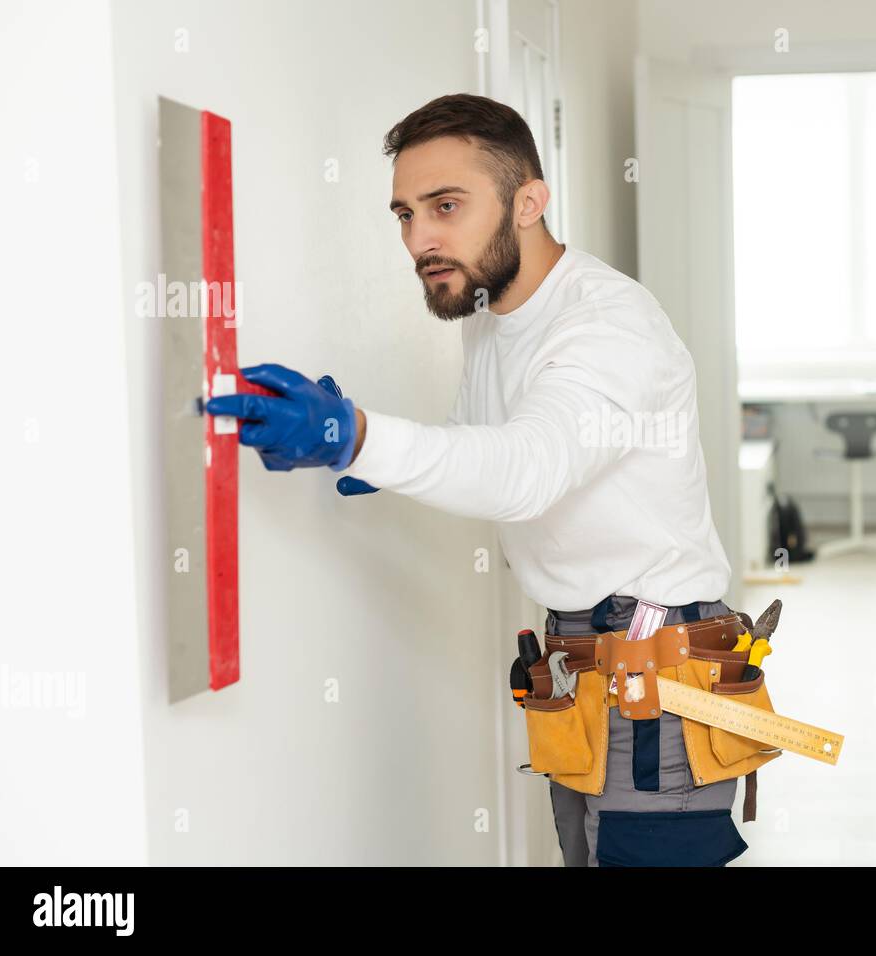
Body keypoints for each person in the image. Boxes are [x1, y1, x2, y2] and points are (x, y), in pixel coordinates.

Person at [205, 92, 743, 867]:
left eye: (445, 205)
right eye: (403, 214)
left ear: (529, 202)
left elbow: (527, 471)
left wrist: (355, 437)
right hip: (579, 668)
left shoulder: (608, 327)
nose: (419, 238)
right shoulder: (494, 317)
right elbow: (486, 444)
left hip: (656, 677)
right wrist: (369, 462)